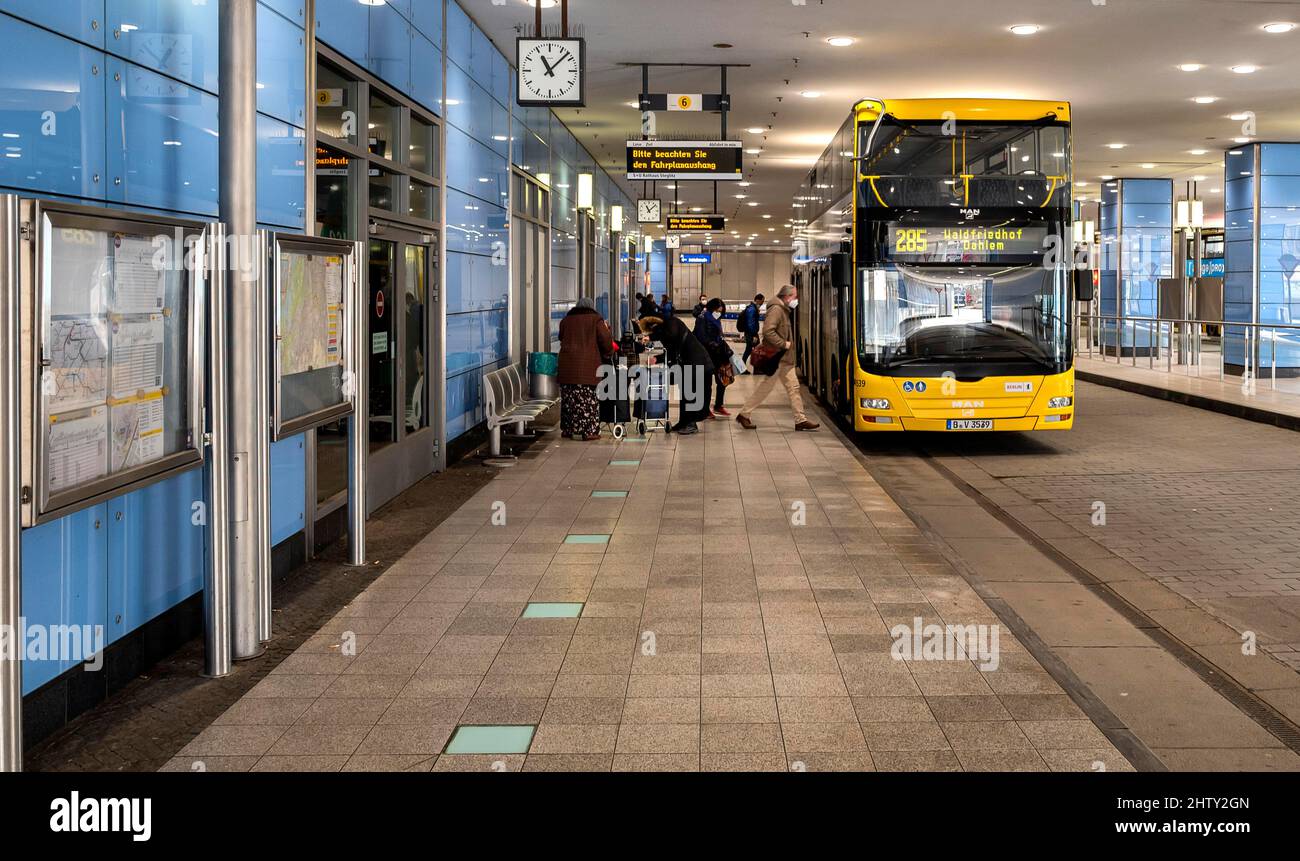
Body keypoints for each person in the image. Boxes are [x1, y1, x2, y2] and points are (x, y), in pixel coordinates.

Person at [735, 285, 820, 432]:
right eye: (794, 297)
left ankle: (800, 420)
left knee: (794, 388)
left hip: (785, 359)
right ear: (787, 297)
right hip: (778, 358)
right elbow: (768, 331)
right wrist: (783, 344)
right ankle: (744, 413)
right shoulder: (776, 310)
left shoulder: (783, 309)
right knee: (765, 388)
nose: (796, 300)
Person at [638, 313, 712, 435]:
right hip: (689, 362)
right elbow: (672, 351)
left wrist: (652, 337)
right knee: (684, 394)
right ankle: (683, 422)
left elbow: (671, 335)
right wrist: (657, 359)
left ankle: (691, 424)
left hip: (697, 362)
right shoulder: (666, 330)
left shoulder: (672, 322)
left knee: (691, 393)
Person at [558, 297, 614, 441]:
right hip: (588, 369)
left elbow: (561, 336)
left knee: (569, 399)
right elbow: (606, 340)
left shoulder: (566, 319)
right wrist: (608, 353)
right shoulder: (596, 320)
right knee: (588, 401)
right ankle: (589, 431)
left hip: (567, 368)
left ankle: (568, 429)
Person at [693, 297, 734, 417]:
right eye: (718, 311)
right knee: (707, 383)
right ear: (712, 309)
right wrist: (712, 344)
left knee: (723, 379)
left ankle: (718, 405)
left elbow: (718, 335)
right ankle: (705, 409)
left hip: (718, 353)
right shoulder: (702, 317)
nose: (719, 313)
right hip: (706, 353)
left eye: (721, 311)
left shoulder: (716, 319)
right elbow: (700, 336)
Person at [738, 293, 764, 372]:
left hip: (751, 333)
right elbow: (750, 323)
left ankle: (756, 369)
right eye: (762, 301)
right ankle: (746, 369)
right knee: (750, 350)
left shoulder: (753, 308)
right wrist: (754, 335)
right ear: (757, 300)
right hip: (751, 333)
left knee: (751, 350)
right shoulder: (752, 309)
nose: (762, 303)